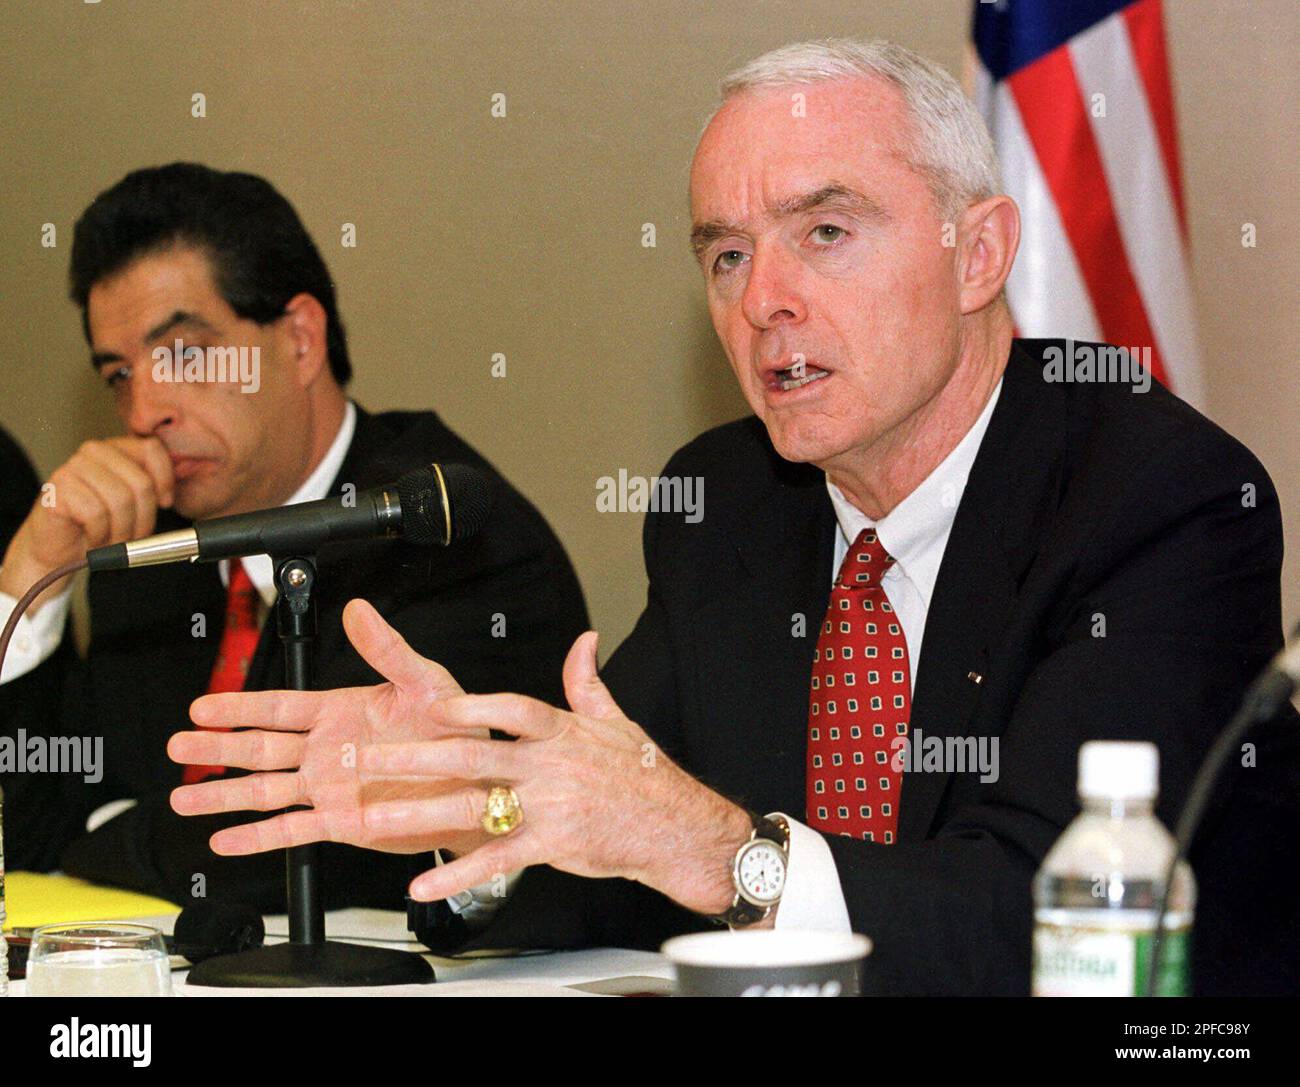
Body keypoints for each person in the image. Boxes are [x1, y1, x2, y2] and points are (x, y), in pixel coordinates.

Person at [168, 41, 1300, 995]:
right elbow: (622, 842)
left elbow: (1044, 926)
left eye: (825, 233)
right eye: (725, 253)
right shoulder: (729, 505)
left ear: (980, 254)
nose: (762, 300)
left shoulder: (1158, 500)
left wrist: (714, 850)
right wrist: (481, 809)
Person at [0, 163, 589, 912]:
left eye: (183, 354)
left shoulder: (438, 525)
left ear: (302, 340)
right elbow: (20, 830)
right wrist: (30, 575)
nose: (145, 409)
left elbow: (327, 842)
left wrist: (99, 837)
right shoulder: (148, 554)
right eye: (119, 373)